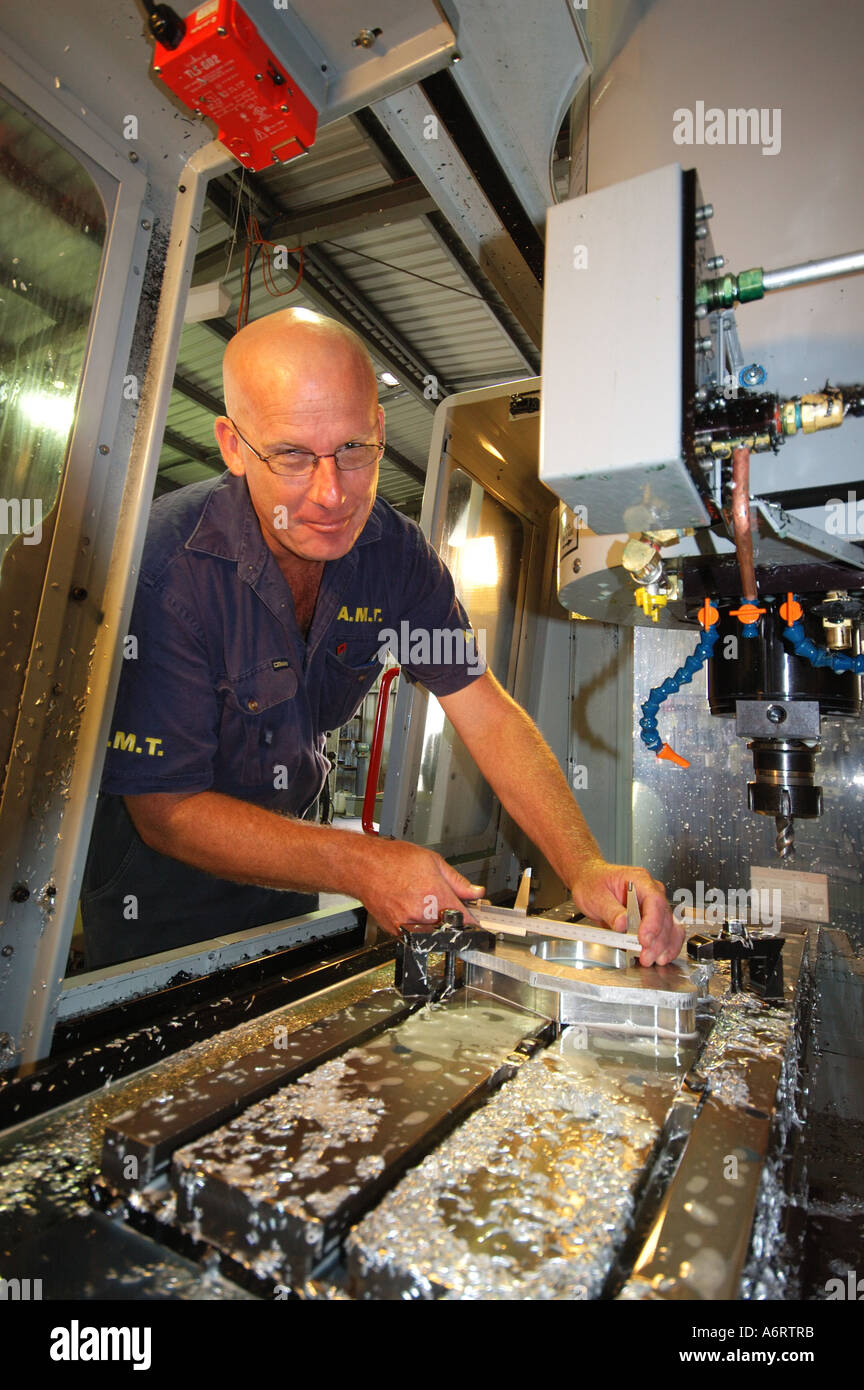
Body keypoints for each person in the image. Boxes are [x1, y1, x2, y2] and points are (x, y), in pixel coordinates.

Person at [81, 308, 682, 969]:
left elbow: (483, 710)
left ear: (380, 430)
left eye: (353, 450)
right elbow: (166, 811)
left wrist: (585, 865)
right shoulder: (166, 569)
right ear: (231, 445)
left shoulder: (393, 557)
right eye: (291, 455)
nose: (331, 493)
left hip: (291, 875)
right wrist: (364, 863)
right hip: (160, 899)